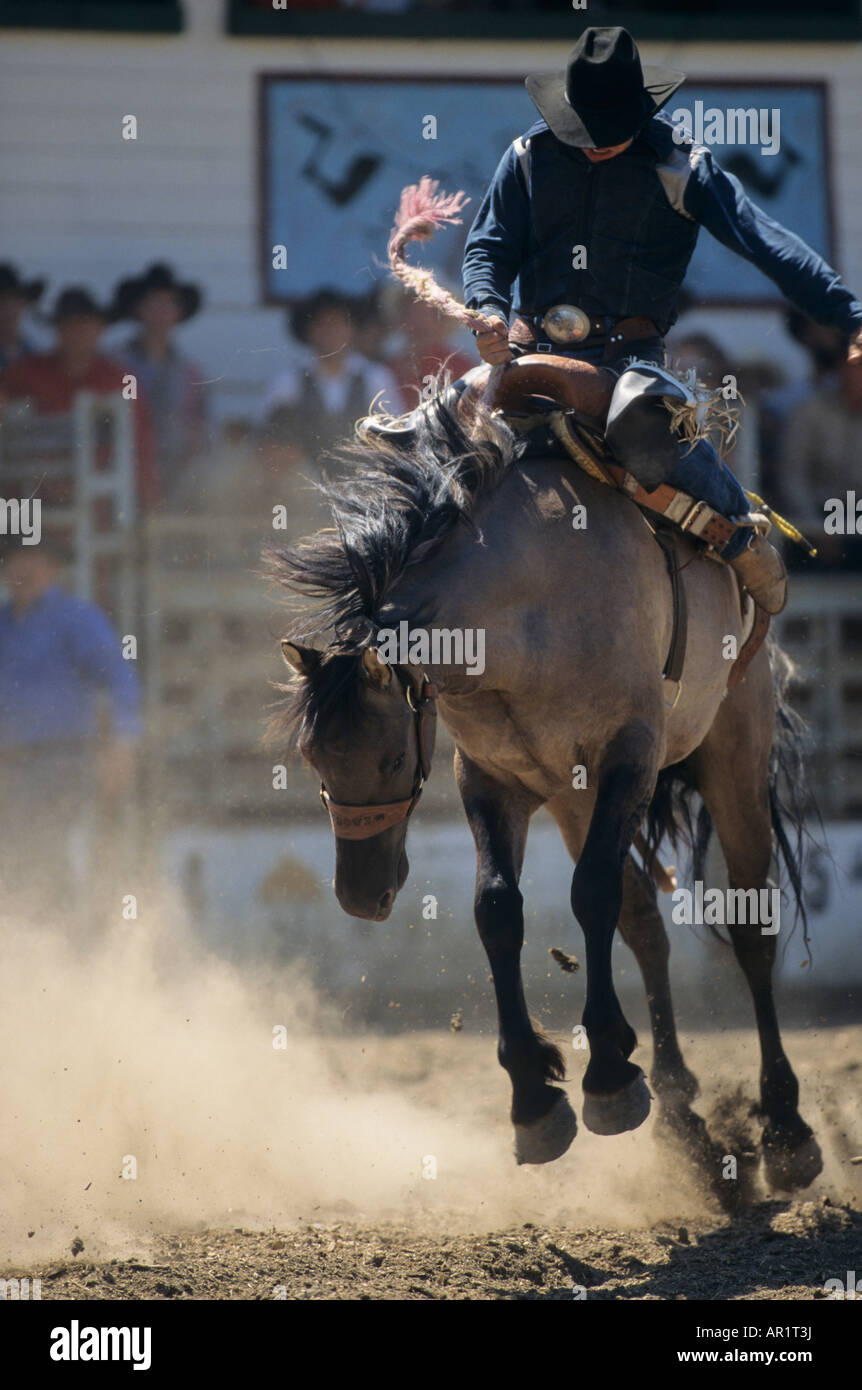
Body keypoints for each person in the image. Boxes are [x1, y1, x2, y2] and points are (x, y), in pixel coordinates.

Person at [460, 26, 862, 613]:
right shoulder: (527, 157)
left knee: (647, 431)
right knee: (445, 426)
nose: (594, 143)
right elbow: (488, 248)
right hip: (530, 348)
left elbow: (764, 242)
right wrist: (489, 311)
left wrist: (849, 316)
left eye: (608, 132)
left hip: (628, 360)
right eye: (585, 131)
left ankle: (740, 534)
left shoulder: (683, 166)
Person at [0, 538, 141, 930]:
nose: (23, 569)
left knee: (58, 854)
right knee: (14, 861)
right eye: (15, 559)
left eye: (33, 559)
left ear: (52, 568)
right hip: (10, 770)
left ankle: (69, 942)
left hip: (64, 762)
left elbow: (119, 678)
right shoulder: (2, 625)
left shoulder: (74, 618)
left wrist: (123, 742)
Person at [0, 287, 161, 511]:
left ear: (100, 328)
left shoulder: (122, 380)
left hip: (100, 504)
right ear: (57, 329)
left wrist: (147, 497)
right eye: (69, 325)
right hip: (34, 501)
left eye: (85, 324)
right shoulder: (24, 373)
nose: (77, 333)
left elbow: (141, 440)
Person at [258, 288, 404, 467]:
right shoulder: (288, 382)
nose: (331, 332)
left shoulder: (376, 378)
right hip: (303, 485)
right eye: (322, 324)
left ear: (352, 329)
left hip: (364, 484)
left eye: (339, 323)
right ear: (308, 331)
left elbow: (395, 438)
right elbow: (266, 441)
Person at [110, 263, 210, 510]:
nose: (160, 313)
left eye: (168, 305)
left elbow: (204, 431)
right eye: (153, 304)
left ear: (178, 313)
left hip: (179, 482)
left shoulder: (190, 372)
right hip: (122, 479)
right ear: (138, 309)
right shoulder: (114, 364)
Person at [0, 263, 45, 371]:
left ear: (24, 304)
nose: (7, 310)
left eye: (14, 300)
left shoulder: (38, 355)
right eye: (1, 302)